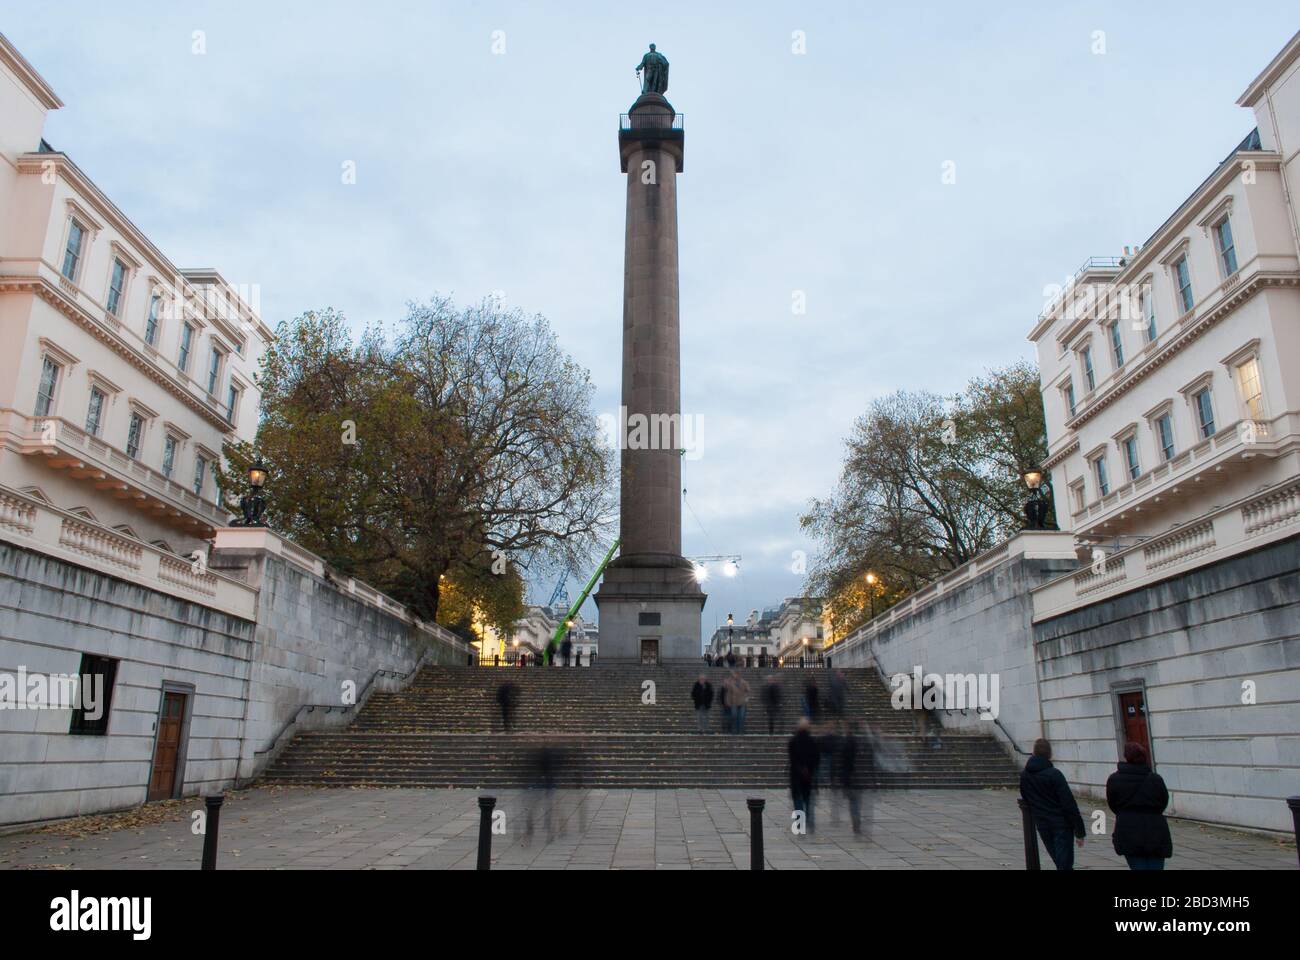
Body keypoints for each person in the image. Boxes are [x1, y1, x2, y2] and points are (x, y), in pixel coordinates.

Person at [1019, 738, 1086, 870]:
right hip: (1061, 824)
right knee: (1064, 862)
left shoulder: (1025, 775)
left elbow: (1026, 797)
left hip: (1042, 822)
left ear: (1034, 752)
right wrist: (1079, 830)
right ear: (1049, 754)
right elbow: (1069, 803)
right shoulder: (1054, 774)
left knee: (1059, 860)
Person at [1106, 742, 1172, 870]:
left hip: (1128, 828)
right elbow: (1163, 801)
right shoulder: (1155, 779)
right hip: (1155, 829)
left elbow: (1113, 804)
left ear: (1126, 757)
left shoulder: (1114, 779)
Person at [788, 718, 820, 835]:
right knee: (807, 800)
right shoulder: (813, 742)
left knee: (798, 801)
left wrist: (800, 768)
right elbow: (817, 759)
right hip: (809, 776)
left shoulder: (793, 741)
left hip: (796, 775)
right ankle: (809, 822)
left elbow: (792, 759)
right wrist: (809, 769)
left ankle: (800, 825)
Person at [729, 670, 751, 735]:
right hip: (734, 702)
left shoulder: (744, 682)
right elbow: (729, 693)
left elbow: (748, 691)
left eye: (737, 675)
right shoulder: (731, 683)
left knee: (741, 717)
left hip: (742, 702)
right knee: (734, 716)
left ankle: (740, 730)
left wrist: (747, 698)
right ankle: (734, 730)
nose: (735, 676)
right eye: (734, 675)